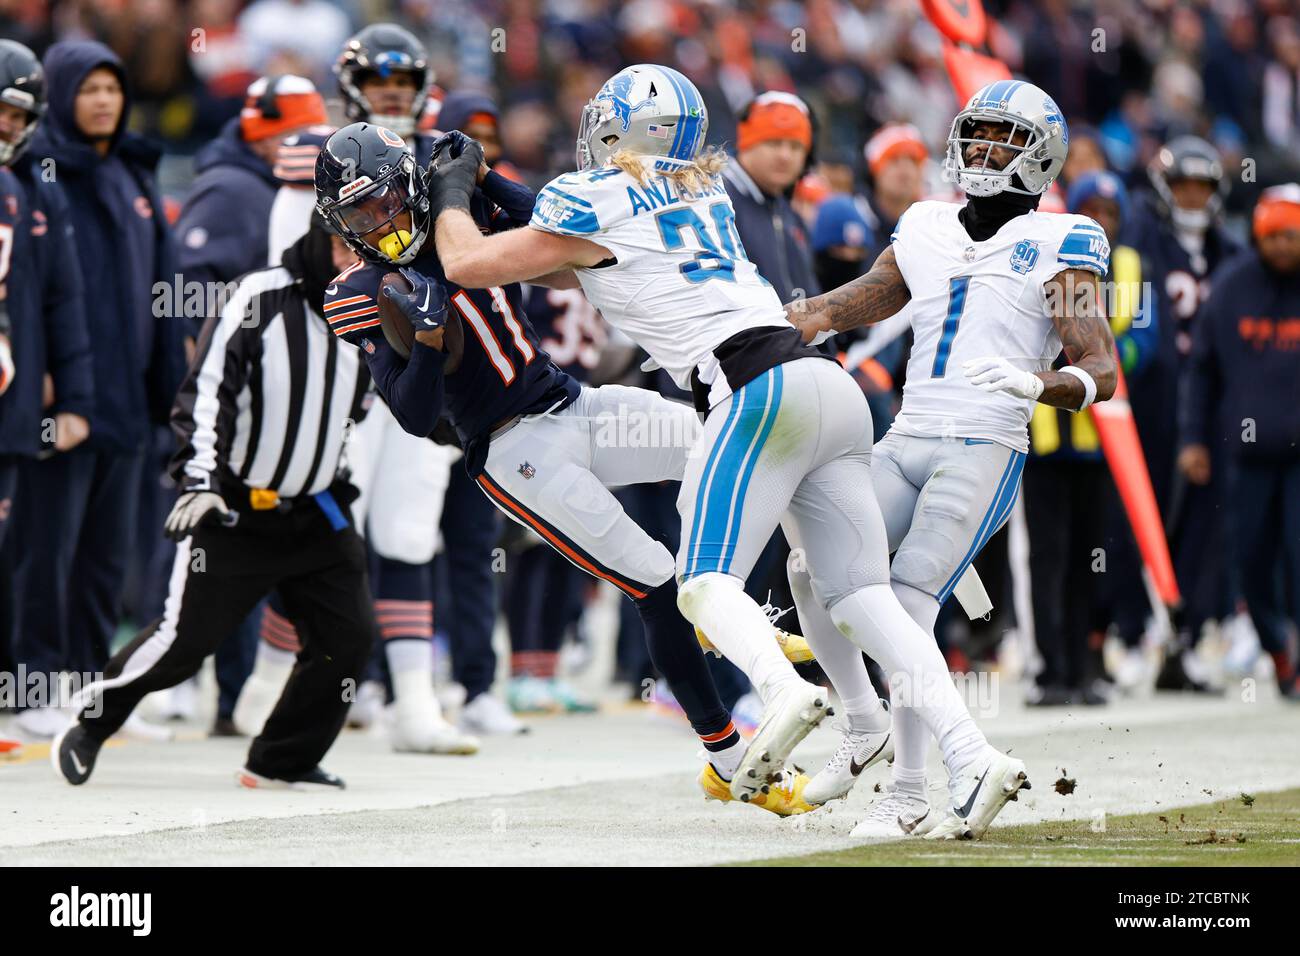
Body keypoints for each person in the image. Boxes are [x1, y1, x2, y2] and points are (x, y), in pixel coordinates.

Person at [428, 64, 1023, 838]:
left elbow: (466, 263)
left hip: (752, 391)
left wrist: (449, 192)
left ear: (612, 131)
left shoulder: (599, 200)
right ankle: (968, 754)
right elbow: (569, 248)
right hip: (827, 387)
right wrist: (493, 180)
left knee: (704, 584)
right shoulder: (699, 190)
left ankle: (782, 692)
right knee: (862, 598)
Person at [315, 123, 816, 815]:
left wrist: (480, 181)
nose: (383, 221)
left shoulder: (460, 225)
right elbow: (412, 414)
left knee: (725, 439)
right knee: (654, 581)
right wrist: (428, 343)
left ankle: (729, 607)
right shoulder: (359, 289)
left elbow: (557, 226)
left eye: (387, 200)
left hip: (574, 402)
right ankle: (728, 760)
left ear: (412, 185)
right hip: (514, 451)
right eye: (362, 214)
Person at [787, 79, 1117, 837]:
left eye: (1002, 139)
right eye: (976, 134)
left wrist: (1036, 382)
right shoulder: (927, 223)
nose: (981, 150)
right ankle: (862, 722)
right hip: (905, 435)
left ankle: (908, 796)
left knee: (903, 603)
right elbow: (865, 296)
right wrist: (789, 322)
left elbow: (1099, 367)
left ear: (1039, 157)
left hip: (983, 443)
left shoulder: (1061, 236)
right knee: (812, 564)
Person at [51, 214, 377, 789]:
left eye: (373, 245)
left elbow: (370, 399)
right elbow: (206, 393)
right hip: (235, 510)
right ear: (320, 236)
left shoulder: (378, 300)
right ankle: (91, 720)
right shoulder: (259, 296)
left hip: (317, 509)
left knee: (347, 640)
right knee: (184, 644)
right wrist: (199, 482)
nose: (359, 258)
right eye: (347, 244)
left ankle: (281, 759)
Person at [14, 40, 185, 737]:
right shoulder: (38, 171)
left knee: (108, 559)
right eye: (89, 89)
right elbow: (45, 298)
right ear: (58, 95)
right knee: (45, 551)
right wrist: (56, 390)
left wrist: (171, 392)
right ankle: (31, 689)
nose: (105, 101)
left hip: (129, 403)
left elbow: (164, 287)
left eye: (113, 88)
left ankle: (91, 687)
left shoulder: (133, 171)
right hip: (67, 403)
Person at [1024, 170, 1159, 705]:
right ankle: (1048, 669)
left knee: (1092, 553)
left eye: (1111, 210)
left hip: (1105, 435)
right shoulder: (1046, 262)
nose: (1102, 219)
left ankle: (1086, 665)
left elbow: (1145, 340)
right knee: (1046, 555)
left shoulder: (1128, 266)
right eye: (1091, 209)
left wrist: (1110, 362)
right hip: (1048, 433)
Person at [1124, 135, 1242, 692]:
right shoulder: (1141, 240)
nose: (1193, 197)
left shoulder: (1230, 252)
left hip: (1212, 407)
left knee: (1205, 520)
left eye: (1202, 187)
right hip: (1153, 400)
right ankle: (1131, 632)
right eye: (1183, 186)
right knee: (1140, 516)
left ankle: (1190, 633)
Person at [0, 39, 93, 743]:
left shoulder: (27, 186)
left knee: (22, 551)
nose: (7, 126)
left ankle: (21, 687)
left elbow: (64, 300)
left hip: (12, 405)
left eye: (15, 114)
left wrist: (73, 398)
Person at [1178, 184, 1300, 703]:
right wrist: (1193, 439)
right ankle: (1277, 650)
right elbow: (1200, 372)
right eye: (1273, 235)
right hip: (1245, 455)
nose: (1282, 246)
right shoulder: (1230, 288)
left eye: (1292, 236)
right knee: (1249, 561)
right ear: (1257, 234)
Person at [722, 91, 820, 305]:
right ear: (747, 144)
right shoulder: (718, 199)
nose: (785, 156)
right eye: (774, 143)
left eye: (795, 147)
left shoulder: (787, 213)